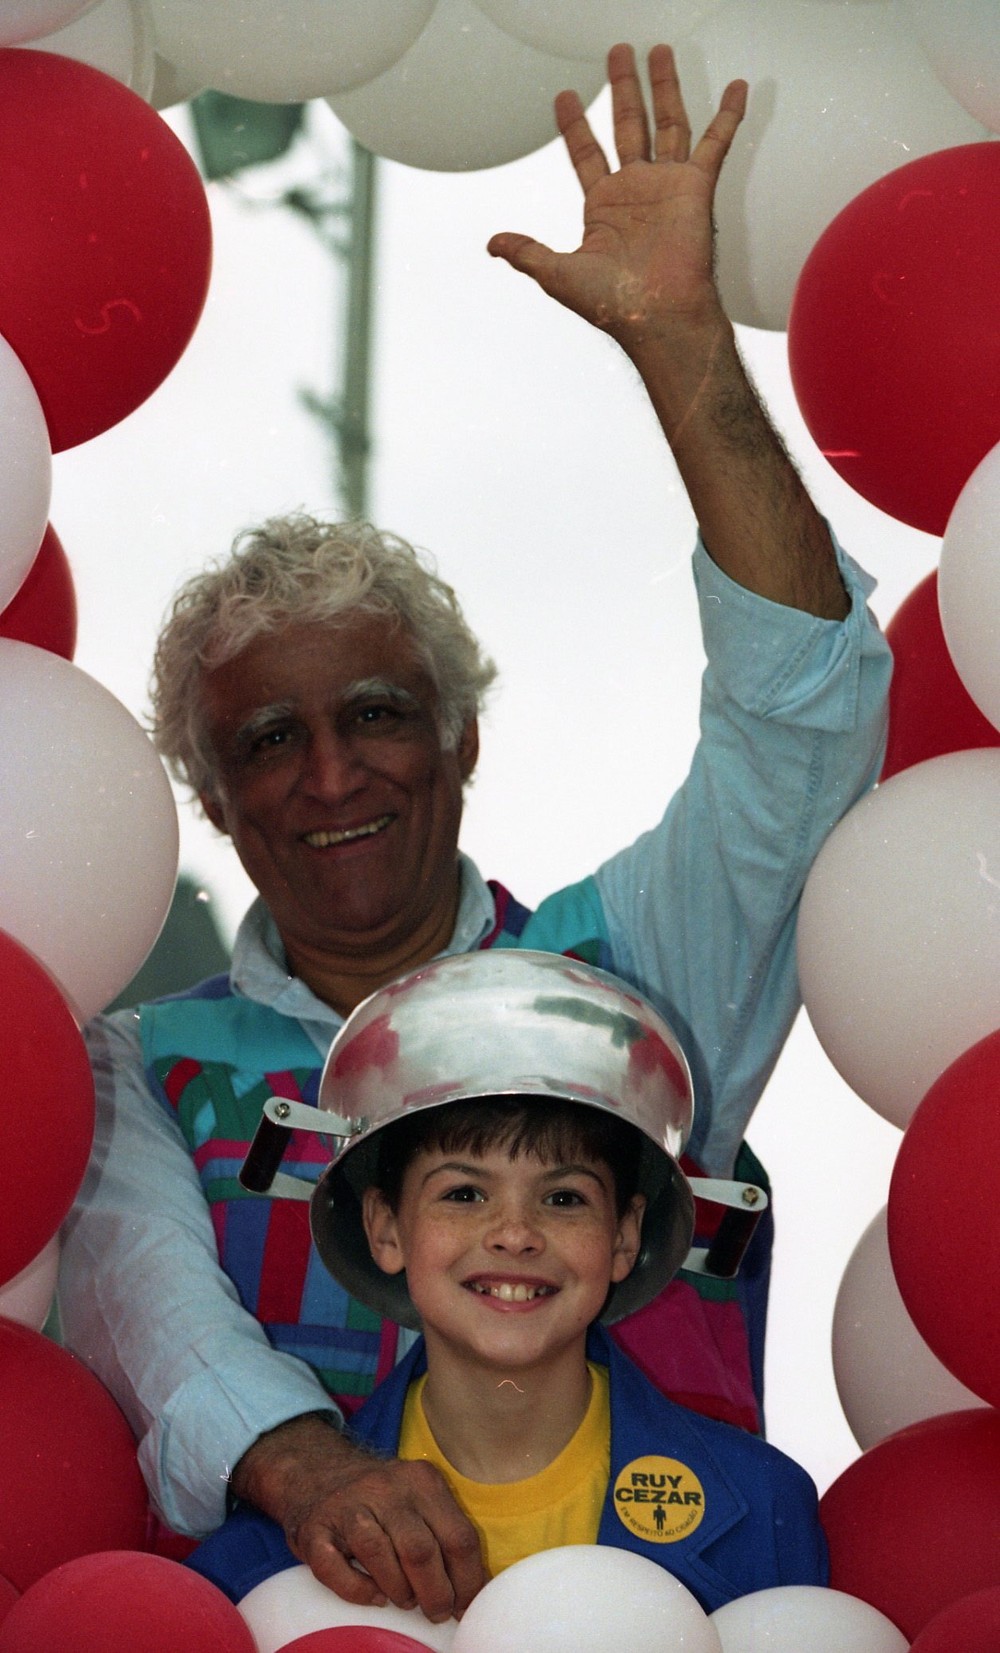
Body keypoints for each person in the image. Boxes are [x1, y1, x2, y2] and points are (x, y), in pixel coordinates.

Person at [58, 41, 891, 1629]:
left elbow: (805, 726)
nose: (326, 776)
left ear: (461, 742)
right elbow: (151, 1309)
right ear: (211, 799)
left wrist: (684, 348)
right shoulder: (136, 1069)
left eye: (373, 714)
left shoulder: (627, 977)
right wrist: (316, 1478)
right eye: (263, 743)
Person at [185, 951, 828, 1613]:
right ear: (386, 1228)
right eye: (464, 1193)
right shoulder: (263, 1560)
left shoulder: (764, 1509)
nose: (515, 1233)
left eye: (564, 1198)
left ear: (625, 1237)